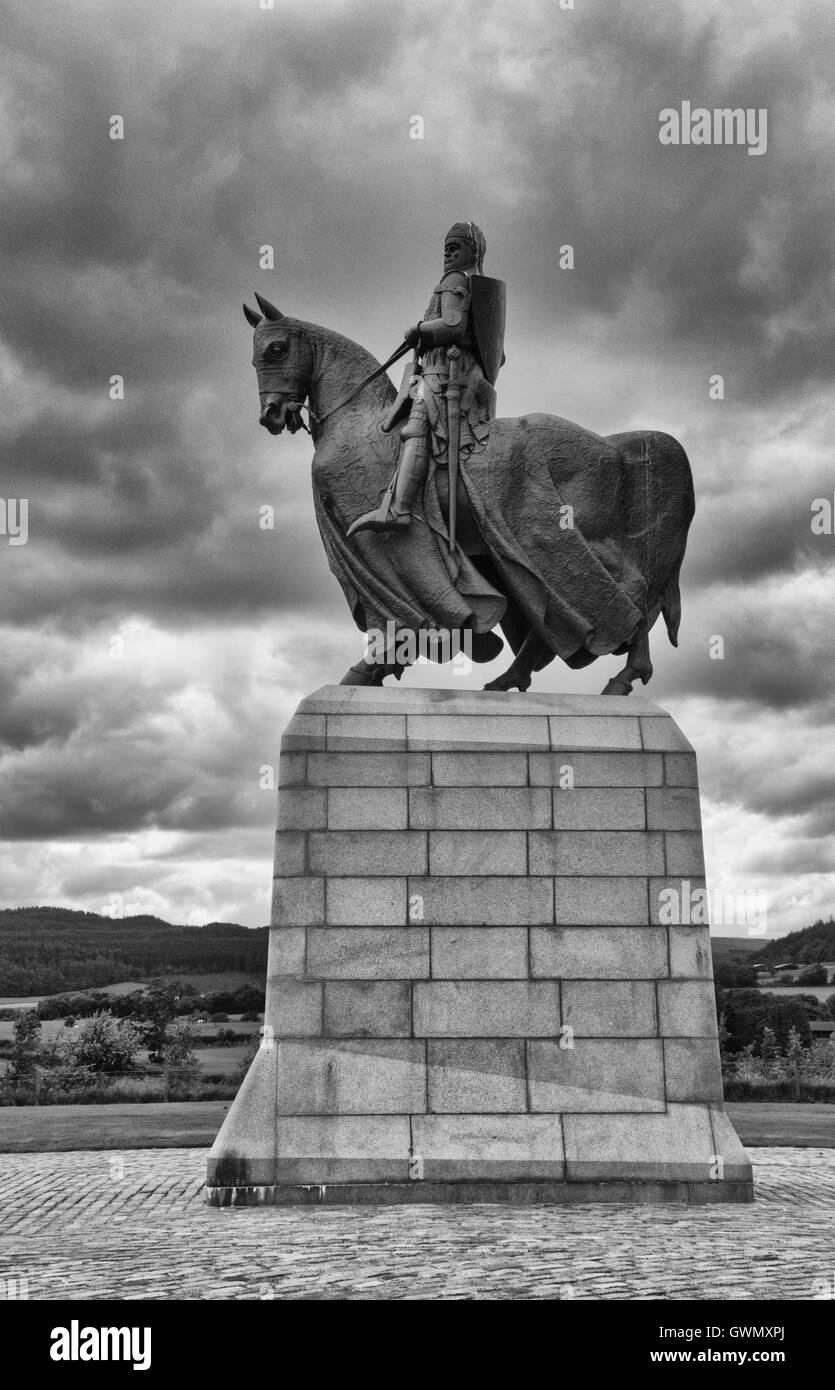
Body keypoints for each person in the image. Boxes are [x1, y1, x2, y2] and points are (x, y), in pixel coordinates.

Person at [347, 221, 504, 537]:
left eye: (455, 247)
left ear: (473, 251)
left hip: (443, 376)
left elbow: (452, 326)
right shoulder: (478, 287)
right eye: (446, 248)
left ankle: (398, 508)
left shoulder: (455, 280)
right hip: (459, 373)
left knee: (415, 427)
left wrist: (417, 330)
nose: (447, 253)